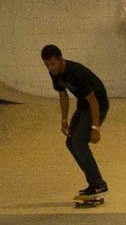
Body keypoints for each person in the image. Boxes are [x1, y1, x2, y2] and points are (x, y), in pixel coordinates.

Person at [39, 45, 111, 205]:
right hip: (83, 106)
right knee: (71, 142)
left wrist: (96, 128)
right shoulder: (54, 73)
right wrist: (64, 119)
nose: (51, 68)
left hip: (98, 105)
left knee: (79, 142)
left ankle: (99, 184)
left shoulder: (75, 72)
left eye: (53, 64)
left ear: (60, 59)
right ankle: (94, 183)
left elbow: (93, 100)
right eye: (47, 65)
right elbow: (63, 95)